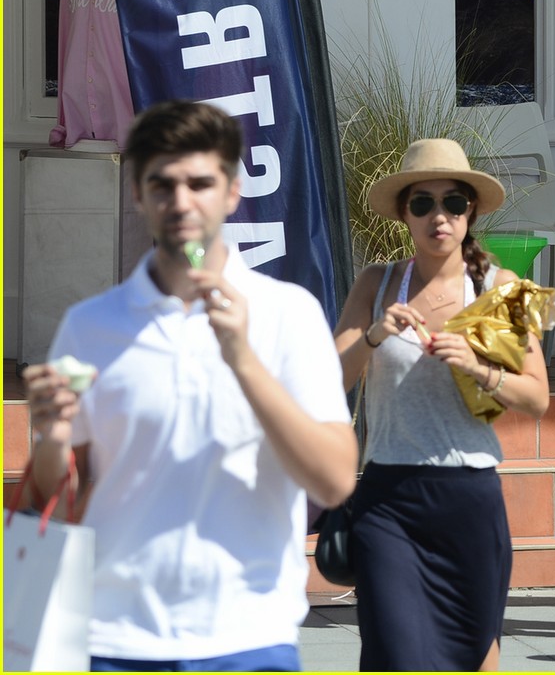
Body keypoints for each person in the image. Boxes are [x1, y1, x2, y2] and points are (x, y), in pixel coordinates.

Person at [21, 99, 358, 670]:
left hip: (248, 637)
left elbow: (333, 481)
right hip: (115, 639)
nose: (181, 202)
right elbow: (55, 492)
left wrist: (244, 361)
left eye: (200, 183)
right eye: (162, 184)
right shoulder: (92, 324)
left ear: (231, 192)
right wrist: (52, 439)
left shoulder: (287, 314)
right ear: (138, 194)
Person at [333, 138, 551, 671]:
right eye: (423, 203)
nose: (439, 216)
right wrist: (375, 336)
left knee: (474, 651)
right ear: (405, 213)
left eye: (453, 202)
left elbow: (538, 398)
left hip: (468, 494)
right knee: (394, 650)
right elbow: (330, 378)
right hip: (388, 498)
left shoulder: (501, 289)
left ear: (470, 210)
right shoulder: (378, 283)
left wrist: (479, 368)